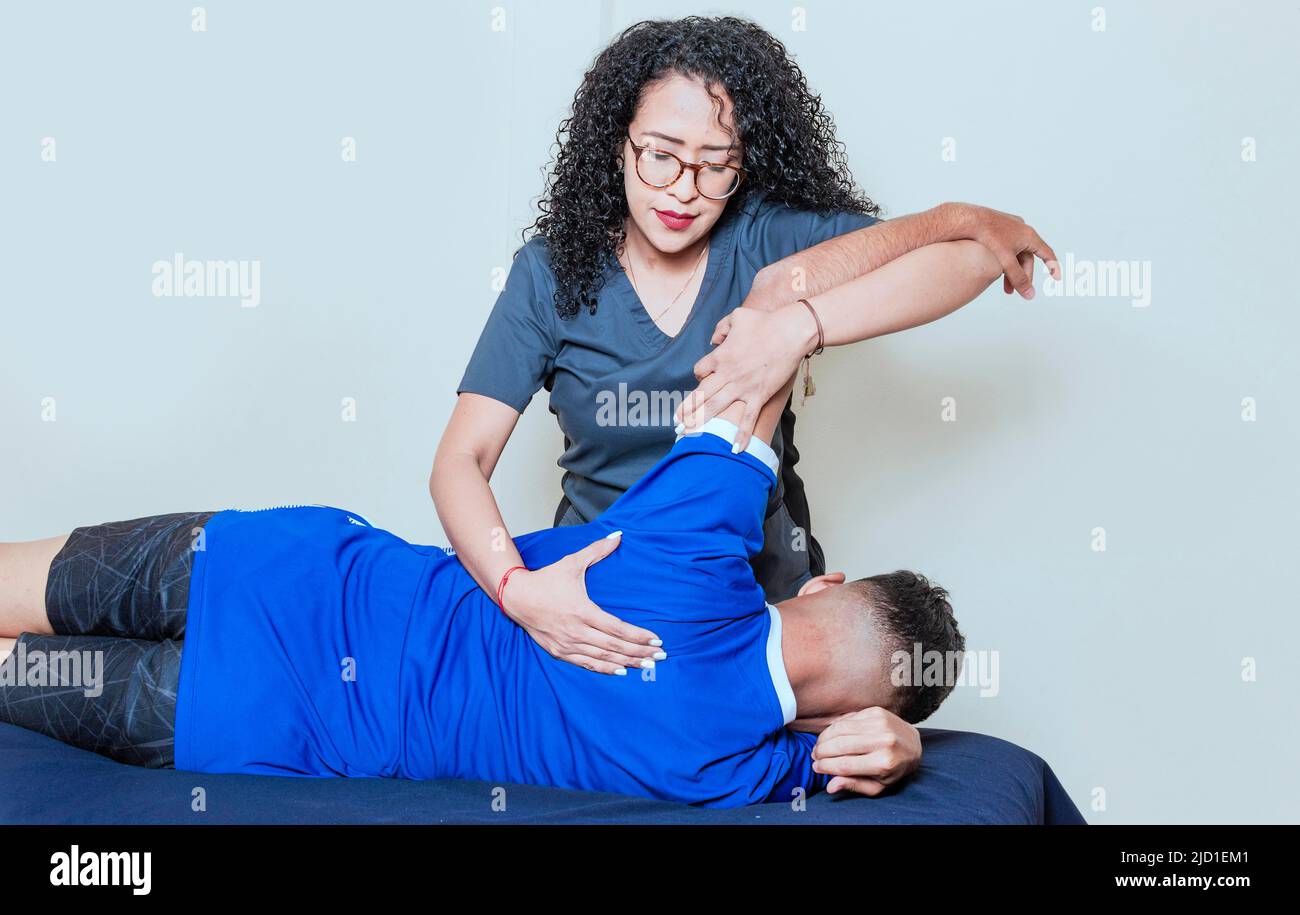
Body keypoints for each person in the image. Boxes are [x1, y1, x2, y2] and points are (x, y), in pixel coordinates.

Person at [0, 239, 998, 807]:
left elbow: (786, 288)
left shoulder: (700, 535)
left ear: (821, 584)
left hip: (275, 571)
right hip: (242, 715)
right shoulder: (729, 770)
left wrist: (961, 232)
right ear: (845, 722)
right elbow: (840, 759)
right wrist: (896, 751)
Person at [434, 15, 1059, 681]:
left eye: (716, 165)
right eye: (661, 154)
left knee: (873, 722)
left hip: (762, 613)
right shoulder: (547, 275)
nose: (684, 188)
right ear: (618, 144)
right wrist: (517, 589)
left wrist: (800, 323)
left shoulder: (765, 243)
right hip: (606, 608)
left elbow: (968, 261)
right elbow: (459, 461)